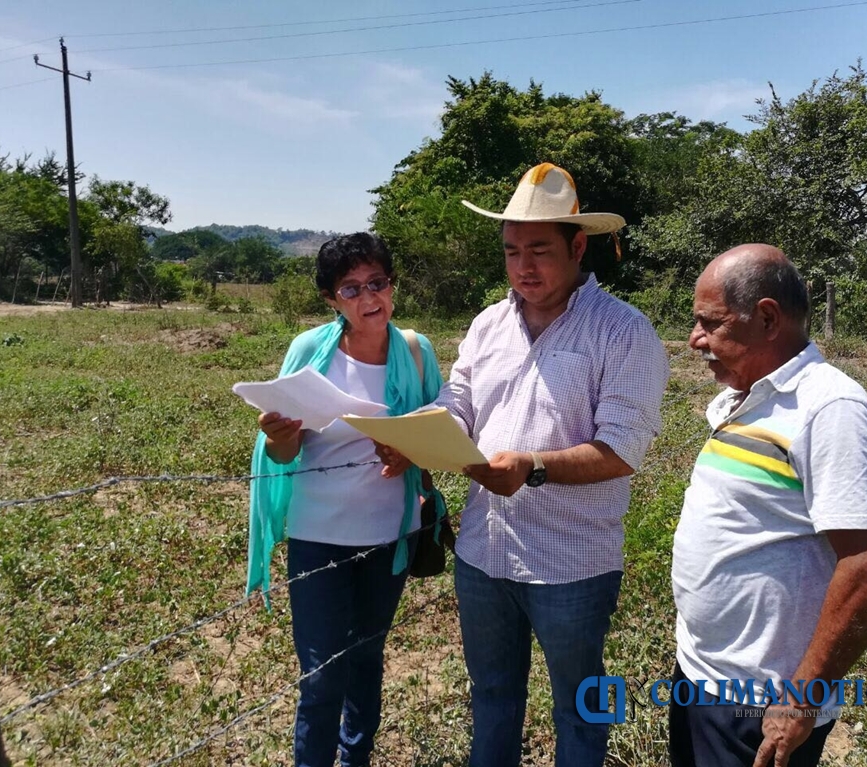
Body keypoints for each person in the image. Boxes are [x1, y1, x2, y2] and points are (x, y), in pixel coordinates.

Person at [379, 163, 668, 766]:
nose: (523, 267)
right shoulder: (489, 323)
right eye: (512, 251)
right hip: (484, 551)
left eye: (539, 249)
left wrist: (532, 466)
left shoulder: (623, 331)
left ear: (578, 246)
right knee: (491, 697)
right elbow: (459, 398)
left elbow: (622, 450)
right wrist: (422, 437)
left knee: (581, 705)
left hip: (573, 562)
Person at [670, 244, 867, 767]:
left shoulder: (829, 408)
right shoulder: (748, 396)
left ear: (768, 318)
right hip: (703, 677)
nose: (695, 339)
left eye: (711, 323)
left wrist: (800, 699)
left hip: (759, 702)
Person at [244, 232, 443, 767]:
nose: (367, 297)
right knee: (322, 673)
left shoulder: (418, 353)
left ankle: (355, 757)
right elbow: (284, 453)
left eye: (377, 282)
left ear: (392, 286)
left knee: (367, 661)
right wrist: (279, 432)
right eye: (350, 288)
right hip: (316, 540)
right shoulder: (311, 352)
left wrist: (408, 454)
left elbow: (438, 437)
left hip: (388, 537)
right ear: (332, 300)